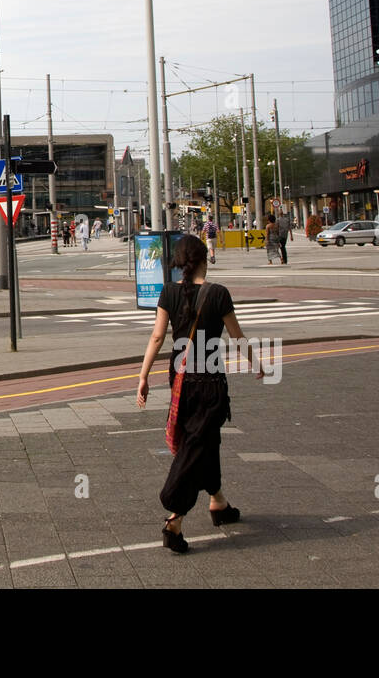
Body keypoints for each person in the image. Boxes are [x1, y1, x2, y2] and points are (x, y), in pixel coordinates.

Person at [136, 234, 263, 553]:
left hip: (180, 382)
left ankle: (218, 503)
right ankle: (174, 516)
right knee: (196, 445)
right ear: (204, 259)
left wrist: (143, 376)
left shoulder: (168, 292)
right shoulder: (218, 294)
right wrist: (257, 363)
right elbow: (237, 337)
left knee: (207, 441)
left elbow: (156, 337)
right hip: (209, 385)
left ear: (180, 262)